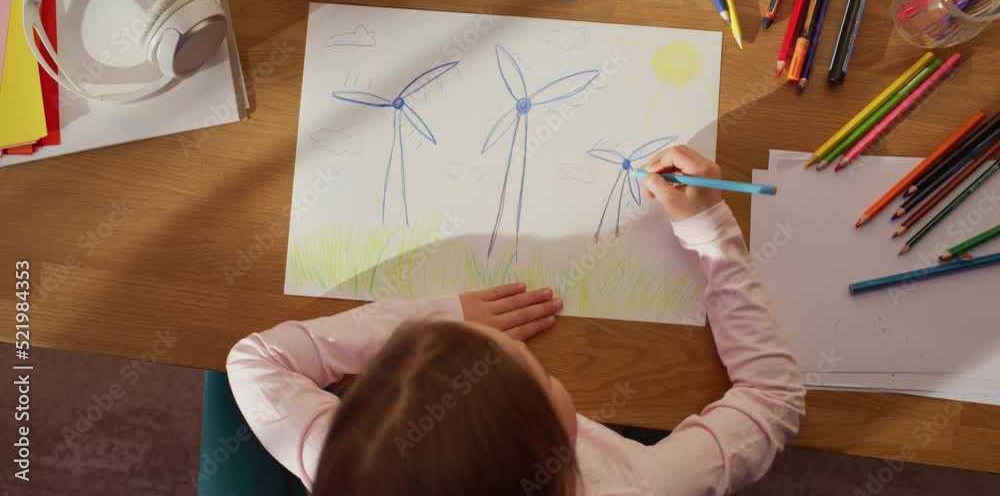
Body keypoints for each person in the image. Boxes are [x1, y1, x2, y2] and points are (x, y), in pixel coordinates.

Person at [227, 145, 806, 496]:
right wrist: (708, 232)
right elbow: (771, 398)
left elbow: (254, 361)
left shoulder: (343, 461)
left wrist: (445, 312)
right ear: (558, 446)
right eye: (541, 375)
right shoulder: (639, 484)